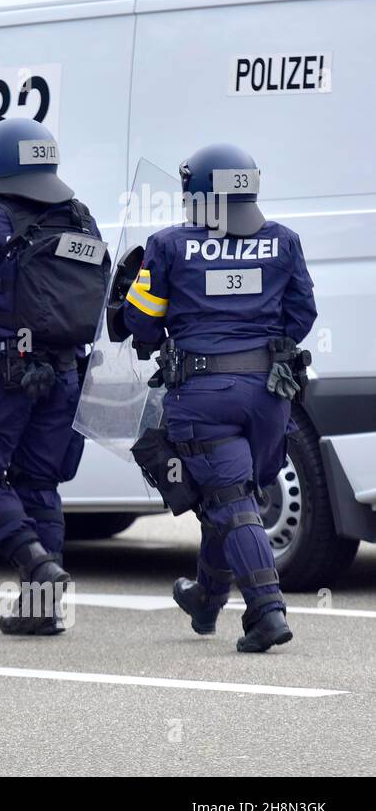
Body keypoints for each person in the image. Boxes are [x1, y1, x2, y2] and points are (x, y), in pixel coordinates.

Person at [122, 143, 315, 652]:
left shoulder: (168, 246)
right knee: (229, 497)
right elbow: (302, 317)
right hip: (269, 397)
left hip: (204, 398)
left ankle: (268, 611)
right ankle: (206, 600)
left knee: (232, 499)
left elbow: (140, 322)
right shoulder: (284, 242)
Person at [0, 117, 108, 635]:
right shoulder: (82, 221)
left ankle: (33, 561)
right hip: (66, 376)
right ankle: (41, 607)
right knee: (40, 482)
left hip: (4, 377)